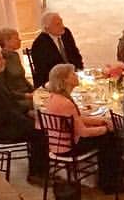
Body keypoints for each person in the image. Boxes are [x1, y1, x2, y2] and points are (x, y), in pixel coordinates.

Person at [42, 63, 119, 192]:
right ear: (65, 80)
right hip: (69, 147)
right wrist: (106, 129)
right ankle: (109, 184)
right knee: (109, 138)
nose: (76, 75)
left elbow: (76, 119)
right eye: (73, 74)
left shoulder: (54, 98)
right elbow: (83, 132)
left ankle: (109, 179)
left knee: (106, 134)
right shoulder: (65, 103)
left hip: (57, 144)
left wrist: (100, 121)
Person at [0, 45, 47, 179]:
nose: (3, 61)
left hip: (7, 119)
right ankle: (37, 174)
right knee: (41, 131)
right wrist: (32, 122)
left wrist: (27, 109)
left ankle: (40, 167)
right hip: (4, 128)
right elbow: (7, 113)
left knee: (39, 122)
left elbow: (9, 98)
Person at [29, 11, 84, 90]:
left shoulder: (66, 33)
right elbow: (43, 71)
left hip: (72, 75)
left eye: (61, 22)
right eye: (58, 24)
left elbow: (75, 53)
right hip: (54, 82)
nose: (62, 26)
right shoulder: (39, 44)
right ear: (47, 29)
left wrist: (79, 70)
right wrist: (65, 78)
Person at [0, 27, 34, 111]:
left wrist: (34, 90)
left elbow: (22, 78)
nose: (20, 40)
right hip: (16, 99)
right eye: (16, 38)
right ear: (6, 41)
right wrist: (26, 96)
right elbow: (5, 88)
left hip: (26, 93)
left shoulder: (15, 55)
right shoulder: (1, 60)